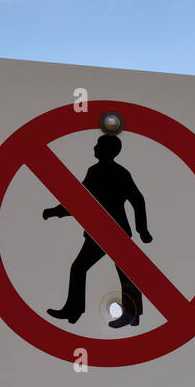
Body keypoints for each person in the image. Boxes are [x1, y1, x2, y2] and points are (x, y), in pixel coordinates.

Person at [43, 134, 152, 328]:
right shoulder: (97, 171)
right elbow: (78, 200)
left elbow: (137, 199)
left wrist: (142, 229)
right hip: (100, 231)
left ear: (107, 150)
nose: (94, 147)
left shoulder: (114, 172)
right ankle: (75, 310)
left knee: (123, 273)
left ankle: (129, 314)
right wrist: (56, 212)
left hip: (113, 231)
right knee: (96, 270)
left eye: (98, 145)